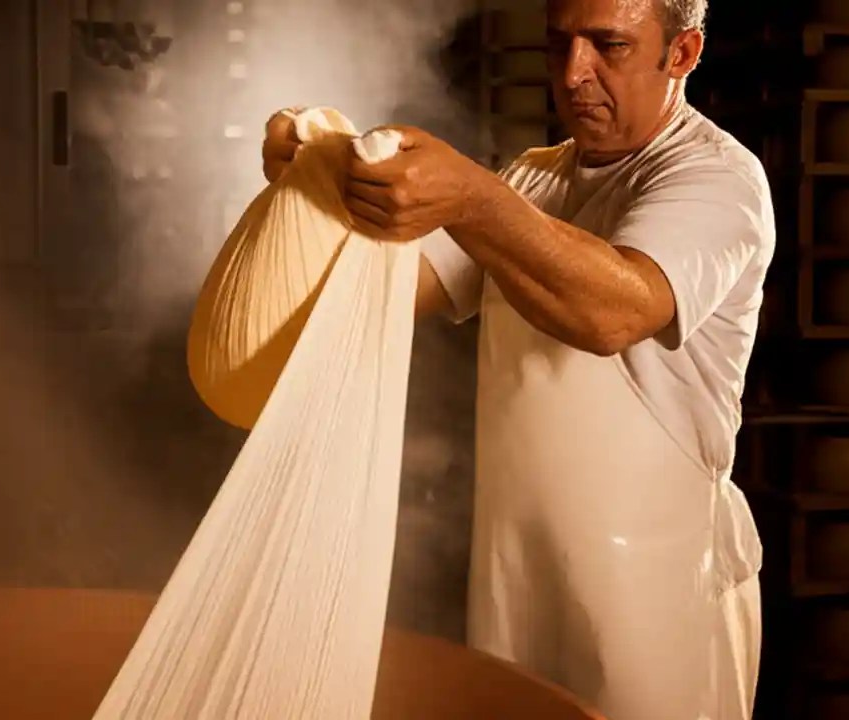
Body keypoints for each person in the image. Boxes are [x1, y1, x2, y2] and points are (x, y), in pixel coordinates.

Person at [261, 0, 772, 717]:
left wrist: (471, 198)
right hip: (517, 574)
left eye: (609, 46)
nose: (574, 73)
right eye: (560, 44)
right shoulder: (531, 179)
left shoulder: (715, 180)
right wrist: (320, 188)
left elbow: (612, 311)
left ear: (682, 53)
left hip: (660, 589)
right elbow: (393, 287)